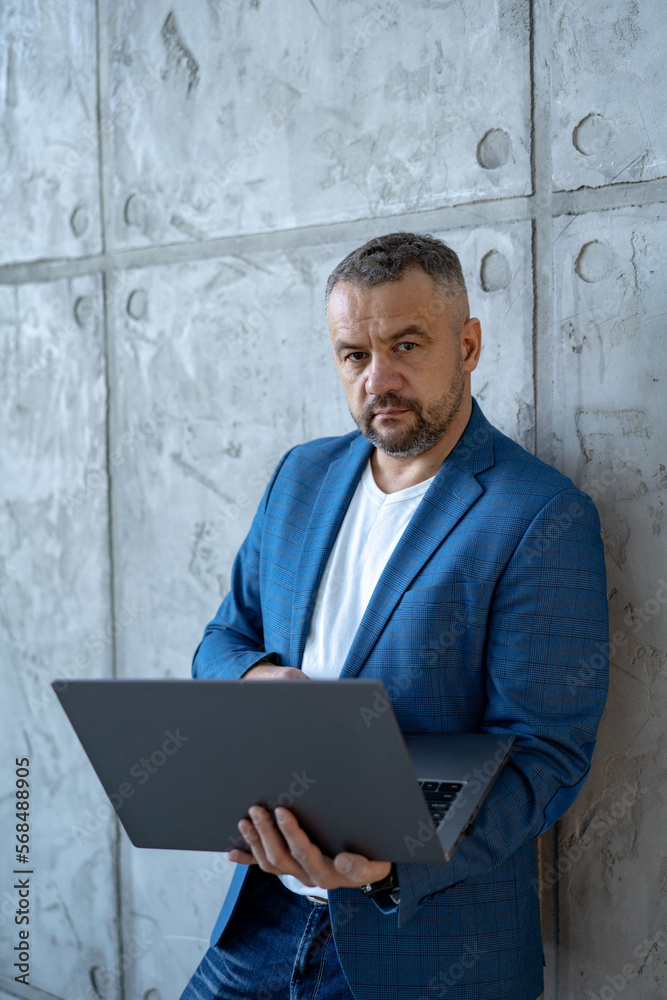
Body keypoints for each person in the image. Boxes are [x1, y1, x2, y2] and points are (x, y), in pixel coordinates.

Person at [180, 232, 609, 1000]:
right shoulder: (300, 474)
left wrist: (392, 864)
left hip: (422, 947)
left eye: (406, 344)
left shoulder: (540, 515)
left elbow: (545, 756)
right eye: (353, 355)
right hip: (262, 922)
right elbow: (222, 638)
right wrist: (256, 676)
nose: (378, 379)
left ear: (468, 343)